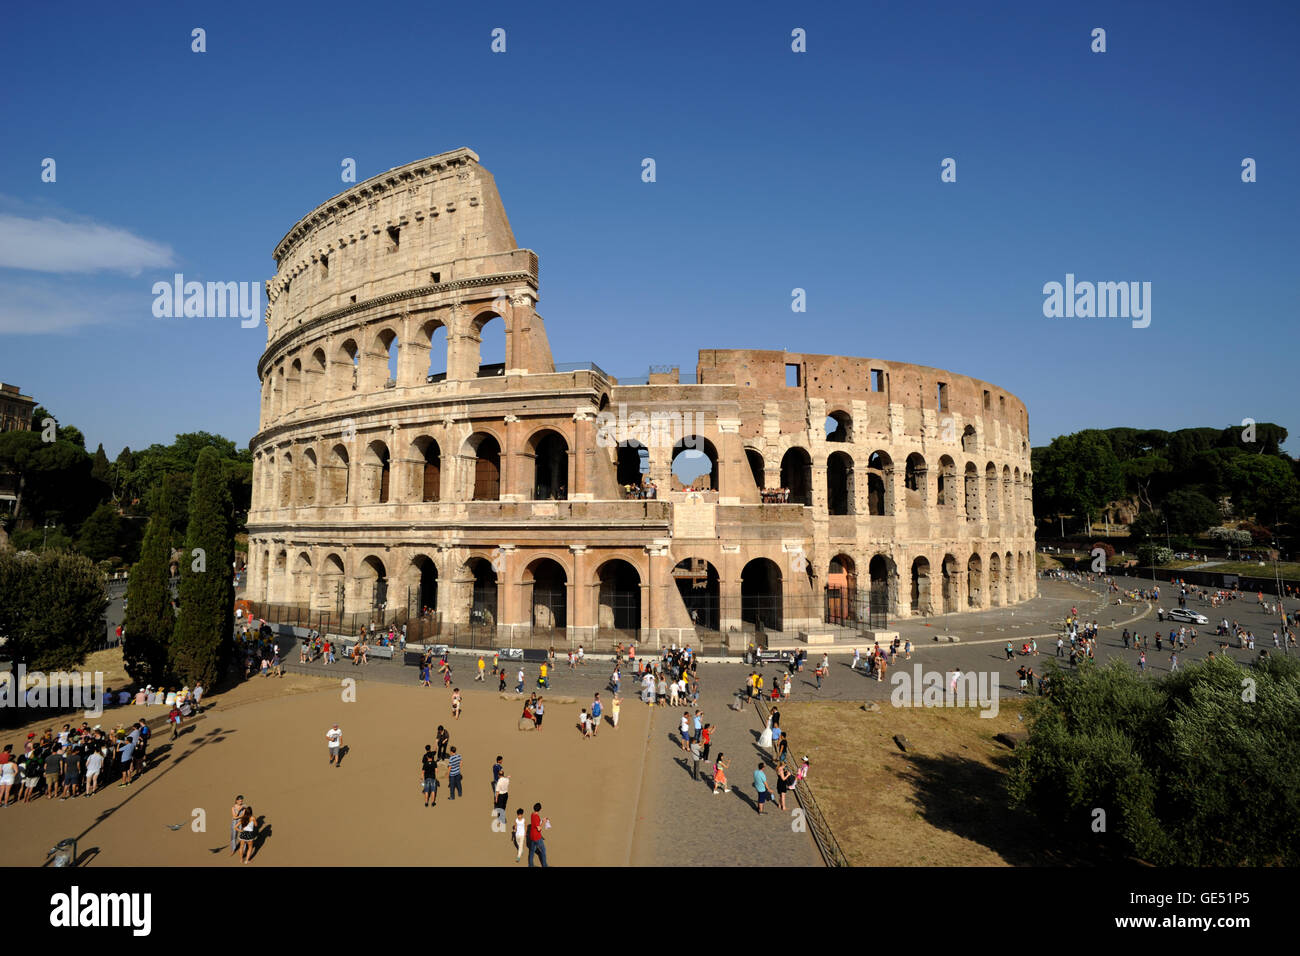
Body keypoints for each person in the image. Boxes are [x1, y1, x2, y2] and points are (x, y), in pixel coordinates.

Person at [527, 803, 548, 867]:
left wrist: (541, 820)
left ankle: (530, 865)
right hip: (537, 837)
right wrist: (544, 822)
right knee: (543, 851)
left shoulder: (532, 814)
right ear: (540, 809)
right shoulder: (536, 816)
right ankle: (544, 865)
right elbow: (539, 828)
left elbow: (535, 823)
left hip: (532, 836)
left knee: (532, 851)